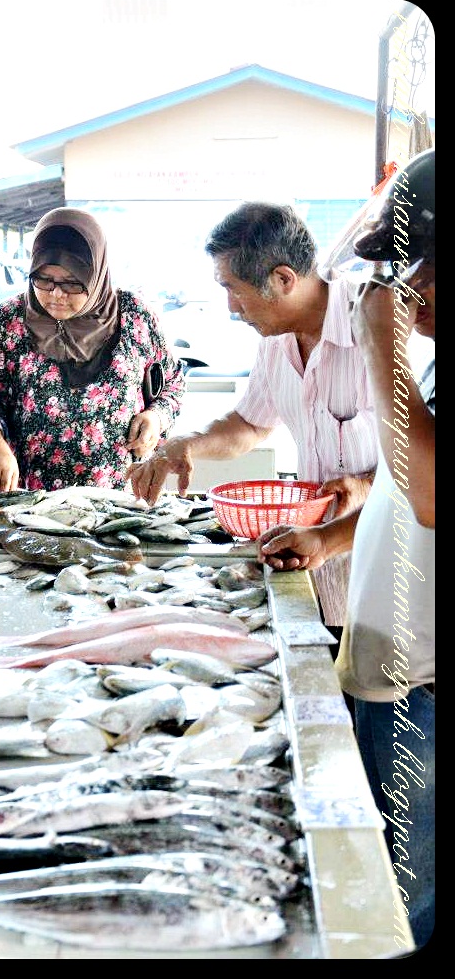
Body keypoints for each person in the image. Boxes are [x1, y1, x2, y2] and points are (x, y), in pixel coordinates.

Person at [255, 148, 435, 951]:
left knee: (401, 912)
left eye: (426, 264)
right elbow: (403, 486)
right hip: (392, 673)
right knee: (380, 888)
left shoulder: (404, 357)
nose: (412, 285)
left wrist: (382, 347)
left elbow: (430, 495)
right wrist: (327, 540)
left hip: (425, 693)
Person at [127, 202, 378, 642]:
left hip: (387, 573)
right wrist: (190, 443)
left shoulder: (376, 326)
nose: (230, 306)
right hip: (315, 563)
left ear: (283, 279)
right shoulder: (275, 339)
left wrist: (367, 484)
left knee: (390, 706)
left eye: (234, 289)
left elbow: (424, 457)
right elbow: (250, 423)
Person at [0, 207, 185, 492]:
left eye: (72, 283)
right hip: (33, 504)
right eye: (43, 279)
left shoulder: (134, 316)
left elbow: (172, 386)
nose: (56, 294)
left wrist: (156, 418)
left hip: (121, 502)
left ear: (96, 275)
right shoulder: (10, 320)